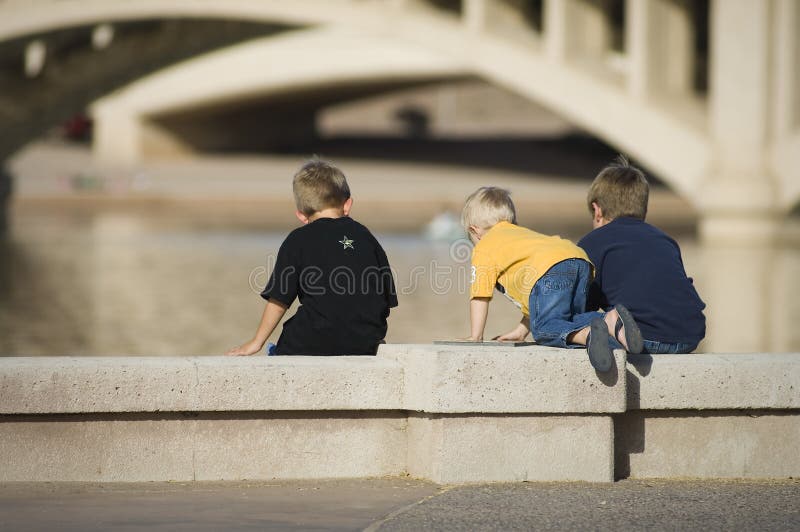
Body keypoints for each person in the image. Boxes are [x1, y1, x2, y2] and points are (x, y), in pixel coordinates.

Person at [226, 159, 397, 356]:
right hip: (365, 345)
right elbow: (386, 298)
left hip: (310, 343)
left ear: (301, 215)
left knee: (279, 348)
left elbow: (280, 299)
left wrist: (256, 342)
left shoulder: (298, 239)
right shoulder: (366, 237)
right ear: (347, 205)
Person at [461, 186, 642, 372]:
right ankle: (610, 320)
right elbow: (541, 298)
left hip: (551, 269)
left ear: (475, 231)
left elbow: (480, 297)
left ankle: (588, 335)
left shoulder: (485, 246)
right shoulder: (521, 236)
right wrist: (521, 330)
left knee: (543, 330)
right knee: (568, 319)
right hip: (577, 259)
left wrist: (476, 336)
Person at [578, 156, 706, 354]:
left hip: (644, 337)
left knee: (571, 321)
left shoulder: (593, 241)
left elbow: (582, 303)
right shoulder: (665, 240)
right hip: (689, 336)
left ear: (597, 210)